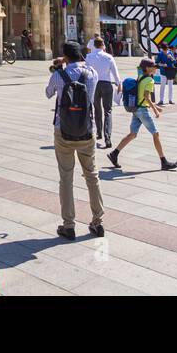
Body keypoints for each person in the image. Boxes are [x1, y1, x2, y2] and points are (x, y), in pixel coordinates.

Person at [46, 41, 105, 240]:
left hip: (63, 131)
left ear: (65, 56)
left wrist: (58, 69)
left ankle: (69, 224)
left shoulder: (58, 75)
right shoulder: (92, 74)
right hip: (87, 130)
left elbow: (48, 93)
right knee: (92, 175)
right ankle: (98, 221)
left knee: (66, 178)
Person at [108, 58, 177, 172]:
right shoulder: (150, 80)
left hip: (136, 109)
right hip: (142, 111)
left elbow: (142, 97)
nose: (155, 69)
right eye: (153, 67)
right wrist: (155, 110)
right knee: (156, 134)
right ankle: (164, 162)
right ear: (147, 68)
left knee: (133, 134)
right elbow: (146, 97)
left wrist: (155, 106)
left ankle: (114, 154)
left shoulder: (140, 77)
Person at [85, 37, 121, 149]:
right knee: (108, 110)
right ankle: (107, 137)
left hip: (94, 84)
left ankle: (99, 132)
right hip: (106, 84)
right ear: (103, 45)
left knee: (96, 108)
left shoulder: (89, 57)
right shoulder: (108, 57)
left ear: (94, 45)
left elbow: (87, 71)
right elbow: (115, 72)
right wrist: (119, 83)